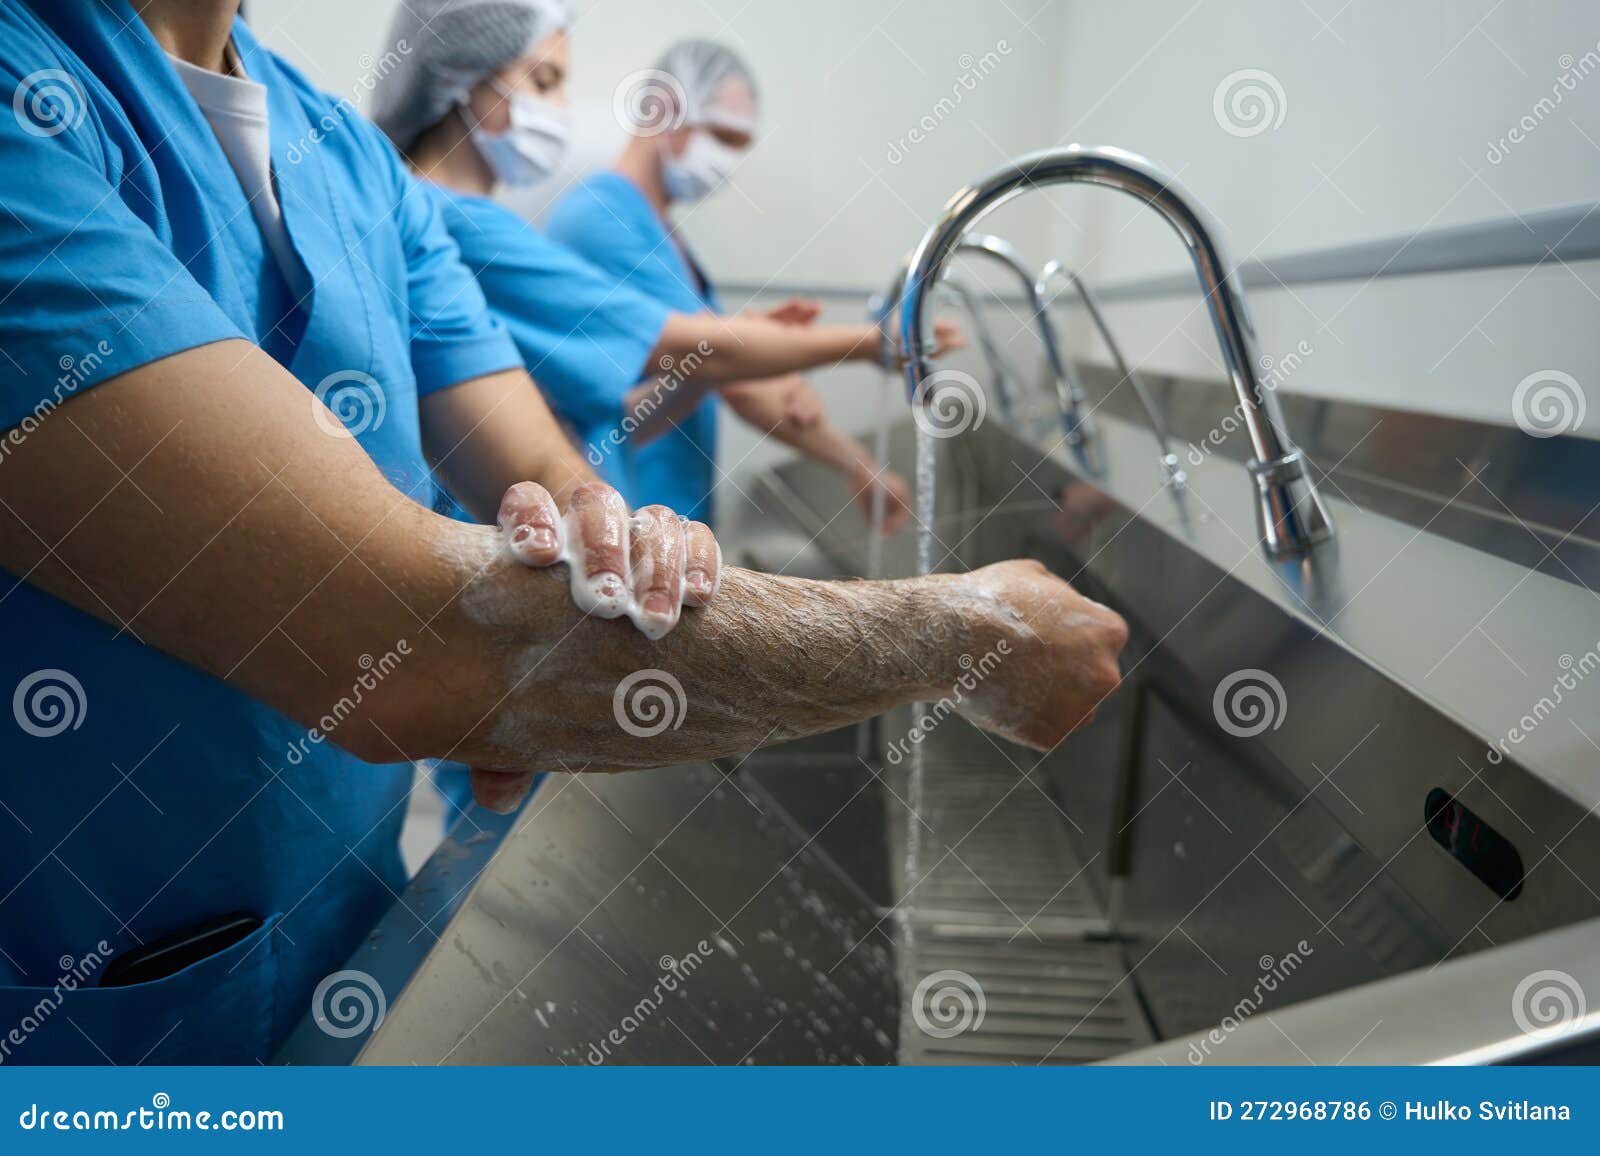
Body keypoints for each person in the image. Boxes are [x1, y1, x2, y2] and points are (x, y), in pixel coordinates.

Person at [0, 0, 1127, 1065]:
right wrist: (962, 633)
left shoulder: (340, 154)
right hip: (88, 991)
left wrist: (598, 539)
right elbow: (399, 636)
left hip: (345, 904)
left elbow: (540, 471)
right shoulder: (28, 103)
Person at [370, 0, 937, 529]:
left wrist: (738, 349)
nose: (561, 107)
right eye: (543, 82)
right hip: (574, 530)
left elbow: (619, 408)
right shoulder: (473, 223)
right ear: (457, 76)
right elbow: (685, 347)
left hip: (613, 525)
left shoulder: (642, 235)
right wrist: (871, 343)